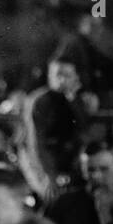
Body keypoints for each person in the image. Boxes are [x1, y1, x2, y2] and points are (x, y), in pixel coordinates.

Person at [24, 56, 87, 189]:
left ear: (76, 77)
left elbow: (82, 135)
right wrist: (48, 175)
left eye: (67, 75)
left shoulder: (77, 101)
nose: (62, 80)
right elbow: (35, 142)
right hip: (41, 164)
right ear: (49, 75)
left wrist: (73, 100)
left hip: (71, 166)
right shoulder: (39, 101)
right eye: (58, 74)